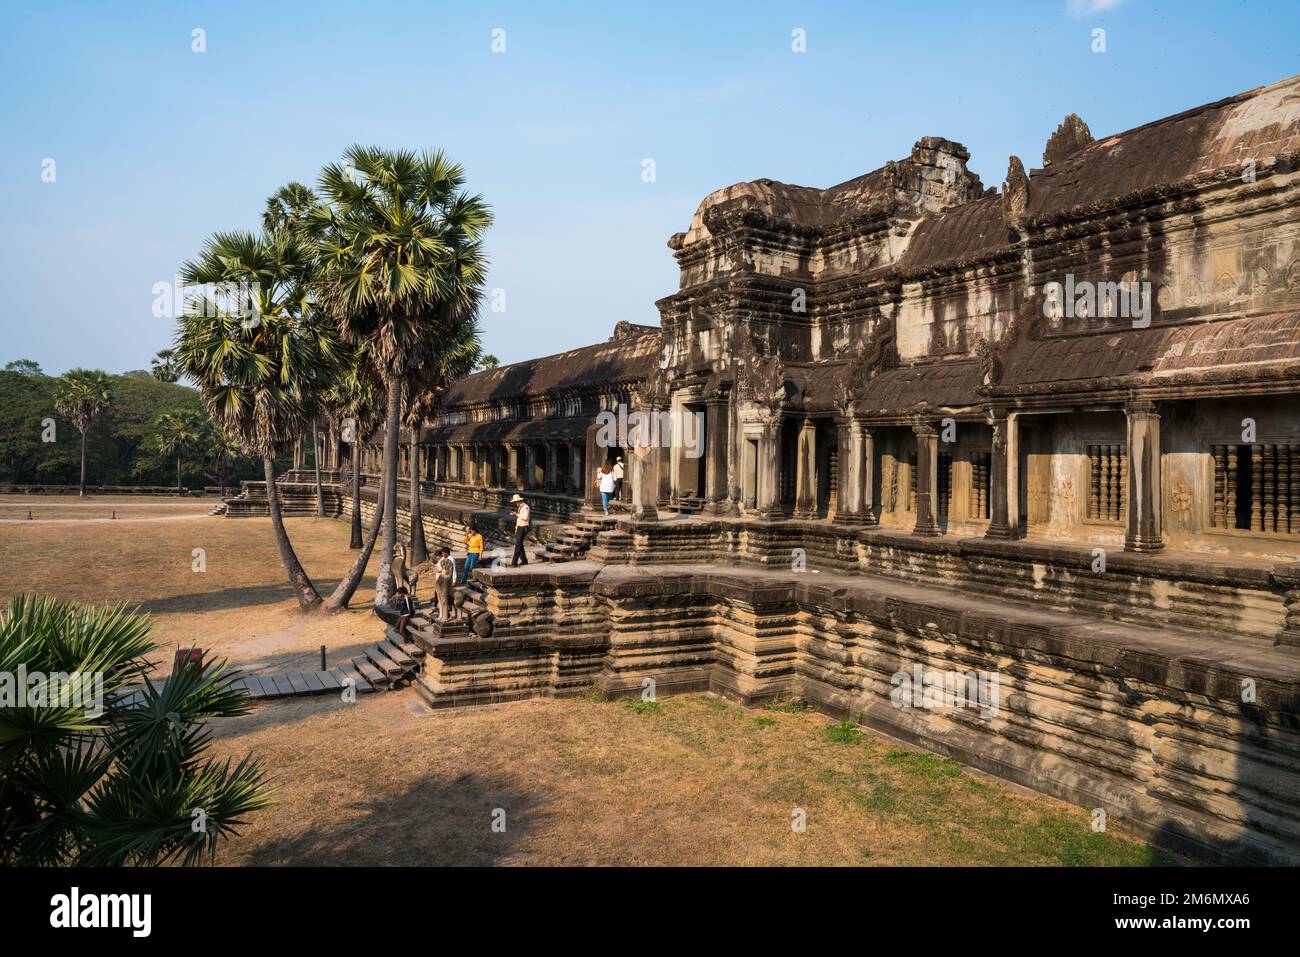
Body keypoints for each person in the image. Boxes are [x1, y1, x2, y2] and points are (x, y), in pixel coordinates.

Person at [434, 548, 457, 622]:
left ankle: (445, 615)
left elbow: (452, 571)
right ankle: (442, 614)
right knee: (441, 600)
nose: (442, 555)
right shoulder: (443, 560)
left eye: (443, 553)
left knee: (445, 600)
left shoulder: (450, 560)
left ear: (446, 553)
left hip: (446, 582)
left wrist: (454, 580)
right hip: (441, 581)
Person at [510, 493, 530, 567]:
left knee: (518, 545)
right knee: (519, 544)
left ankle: (514, 562)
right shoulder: (520, 507)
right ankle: (524, 560)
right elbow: (519, 520)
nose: (515, 504)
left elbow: (525, 517)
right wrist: (516, 528)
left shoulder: (525, 507)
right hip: (519, 527)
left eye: (516, 502)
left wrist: (516, 514)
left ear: (519, 501)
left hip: (523, 527)